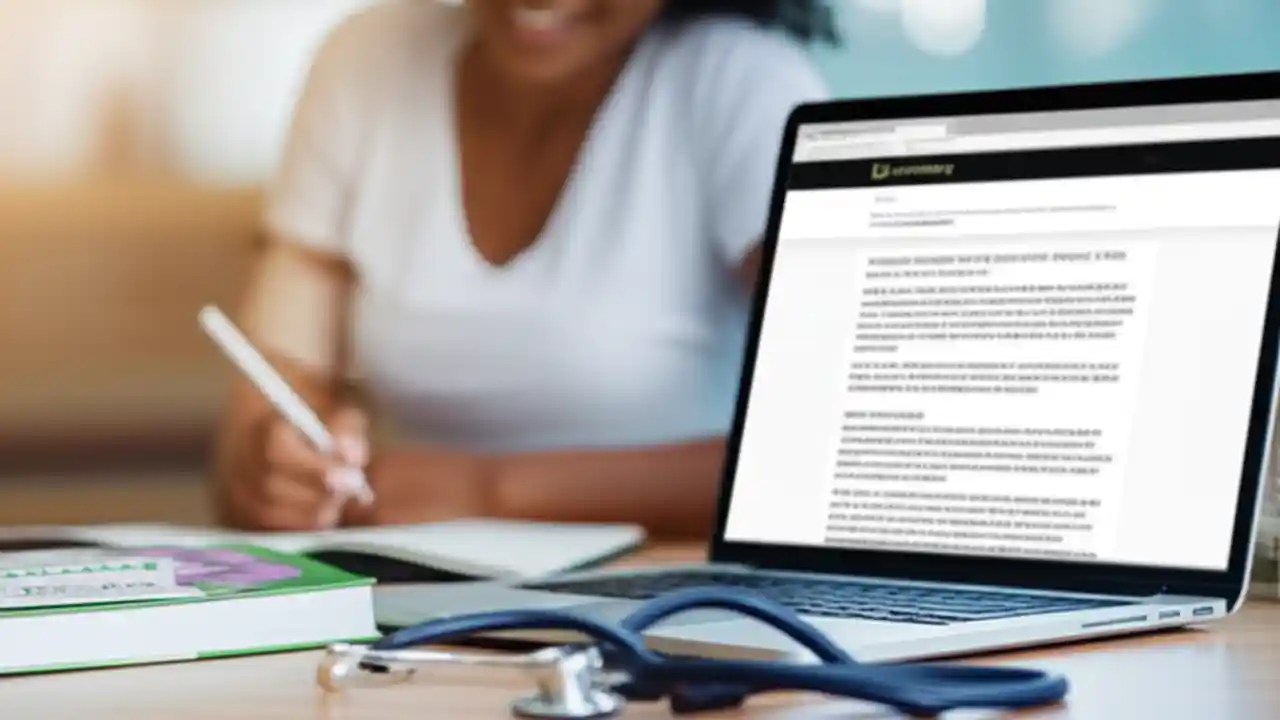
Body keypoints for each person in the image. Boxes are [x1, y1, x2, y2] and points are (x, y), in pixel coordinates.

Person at [214, 0, 834, 537]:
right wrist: (278, 469)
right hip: (416, 599)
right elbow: (255, 434)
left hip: (666, 603)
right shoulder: (366, 61)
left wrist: (490, 490)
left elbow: (841, 455)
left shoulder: (742, 83)